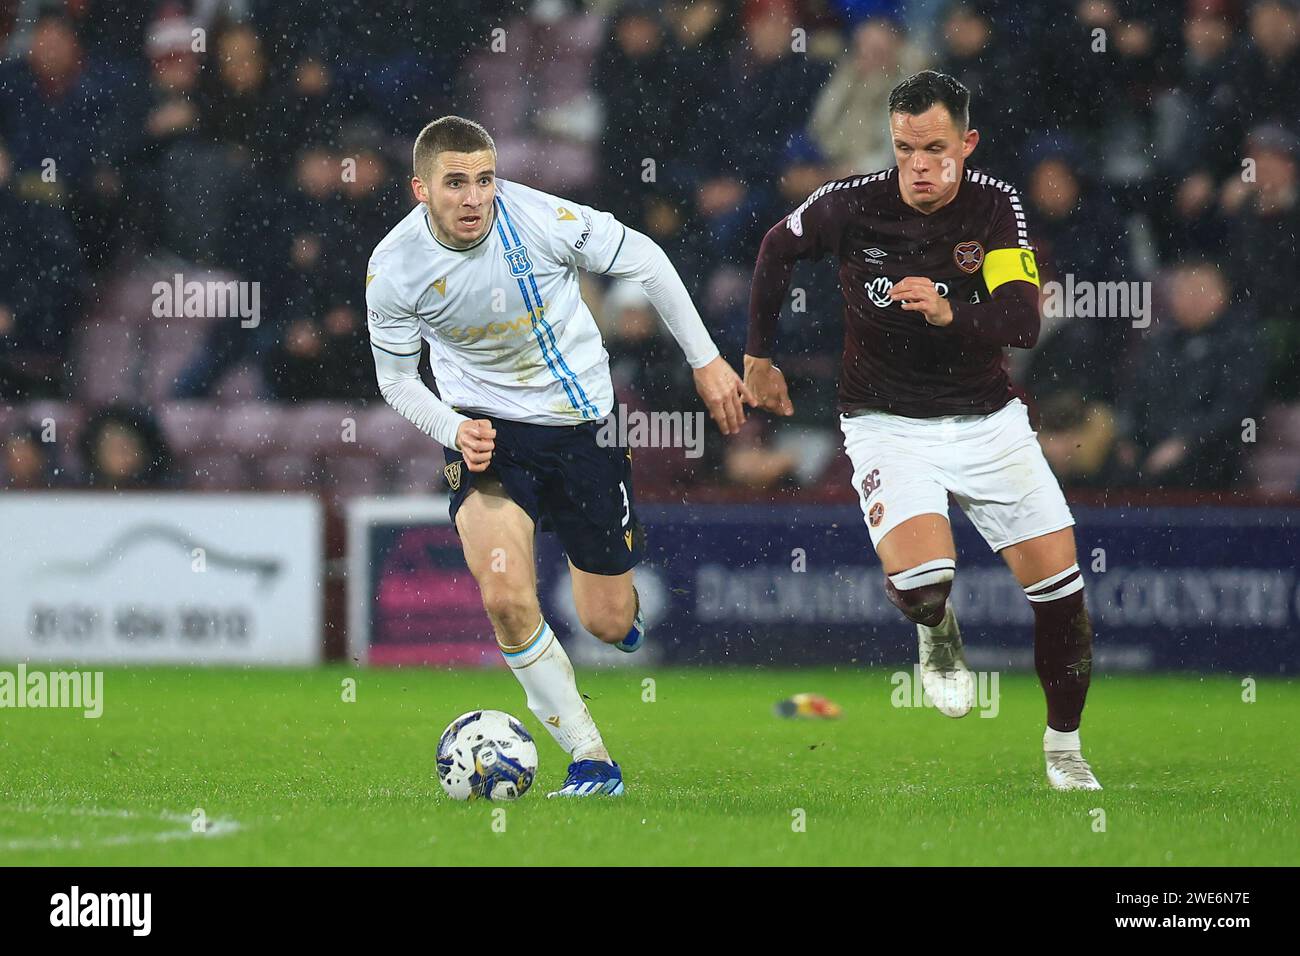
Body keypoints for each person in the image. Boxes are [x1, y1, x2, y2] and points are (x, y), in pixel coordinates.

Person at [366, 116, 752, 798]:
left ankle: (618, 623)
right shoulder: (394, 269)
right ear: (419, 189)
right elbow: (396, 379)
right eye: (455, 183)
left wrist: (707, 361)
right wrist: (451, 427)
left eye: (484, 180)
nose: (474, 197)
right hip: (488, 437)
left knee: (607, 621)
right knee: (506, 596)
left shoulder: (542, 218)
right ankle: (591, 758)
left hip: (584, 432)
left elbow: (647, 261)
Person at [744, 71, 1101, 791]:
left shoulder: (995, 207)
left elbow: (1022, 322)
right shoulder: (851, 204)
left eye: (936, 148)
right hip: (885, 424)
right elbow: (777, 248)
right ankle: (936, 632)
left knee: (1061, 595)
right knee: (924, 585)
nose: (921, 165)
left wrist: (948, 312)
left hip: (989, 423)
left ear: (967, 143)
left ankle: (1064, 750)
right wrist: (756, 357)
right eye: (906, 148)